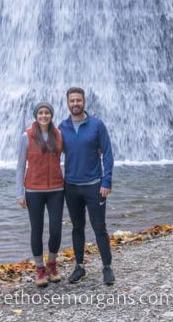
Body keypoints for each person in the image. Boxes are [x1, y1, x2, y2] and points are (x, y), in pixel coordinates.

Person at [58, 86, 115, 285]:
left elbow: (107, 153)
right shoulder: (61, 127)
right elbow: (52, 154)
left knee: (99, 227)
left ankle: (107, 267)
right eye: (72, 101)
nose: (75, 104)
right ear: (67, 103)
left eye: (78, 100)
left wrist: (106, 181)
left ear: (84, 102)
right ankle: (79, 267)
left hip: (94, 185)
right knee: (77, 228)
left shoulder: (97, 125)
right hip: (71, 186)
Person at [15, 102, 65, 287]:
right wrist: (19, 193)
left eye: (47, 113)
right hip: (34, 191)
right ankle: (39, 269)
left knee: (56, 230)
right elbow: (20, 166)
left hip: (57, 190)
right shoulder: (26, 136)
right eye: (41, 113)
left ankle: (52, 264)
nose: (44, 116)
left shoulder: (59, 134)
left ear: (51, 115)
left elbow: (73, 153)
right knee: (37, 230)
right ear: (36, 115)